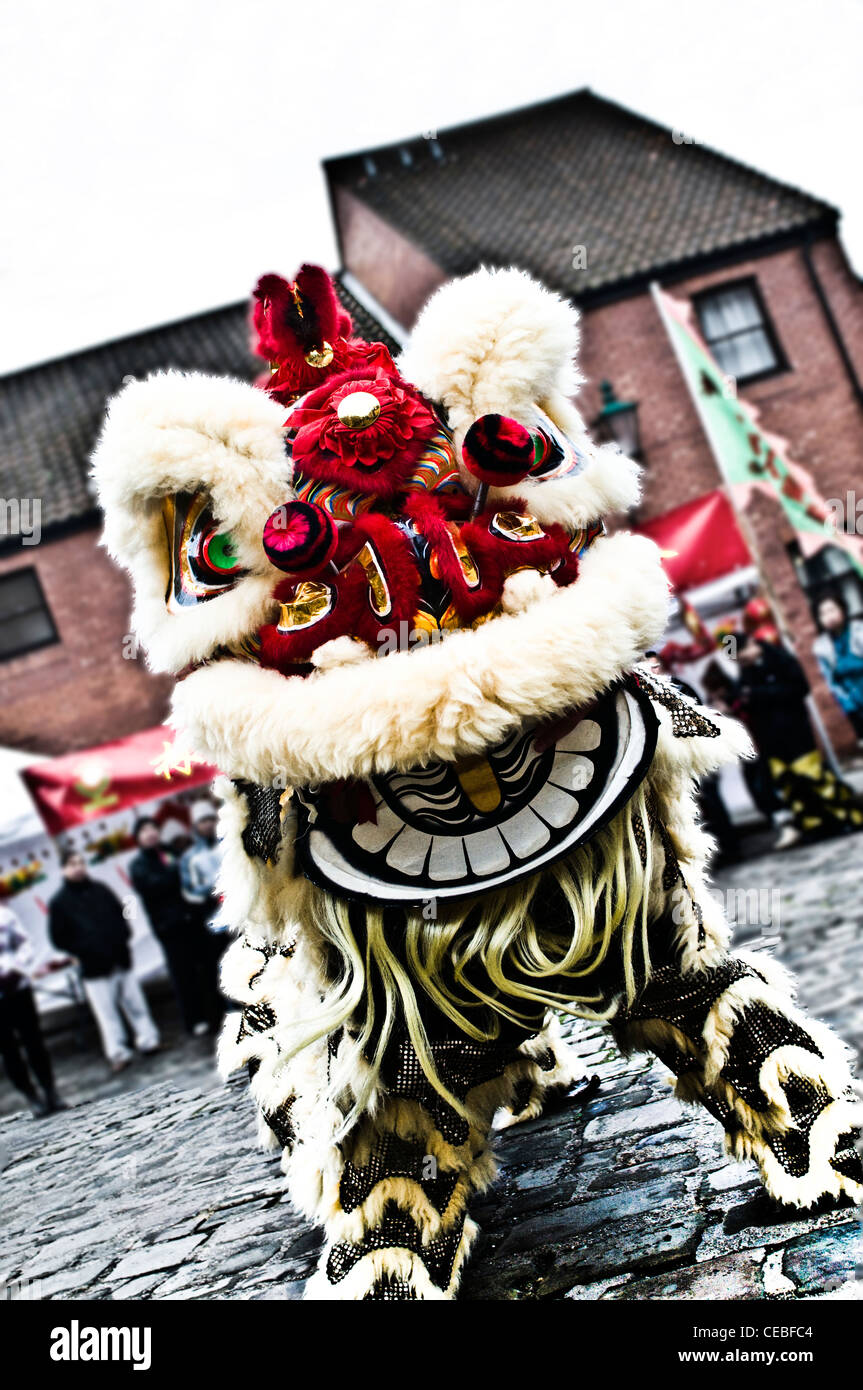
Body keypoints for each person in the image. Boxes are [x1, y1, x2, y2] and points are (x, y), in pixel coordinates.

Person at [735, 633, 863, 847]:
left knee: (815, 779)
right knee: (792, 786)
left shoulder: (780, 659)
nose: (743, 659)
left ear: (753, 644)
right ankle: (813, 826)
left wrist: (759, 693)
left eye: (743, 653)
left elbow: (800, 688)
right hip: (771, 739)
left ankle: (845, 818)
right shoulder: (745, 673)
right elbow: (742, 696)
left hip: (796, 732)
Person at [48, 849, 160, 1072]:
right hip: (94, 967)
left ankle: (149, 1041)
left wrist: (122, 937)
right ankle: (118, 1053)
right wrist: (85, 949)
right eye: (72, 864)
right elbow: (58, 938)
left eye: (80, 862)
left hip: (119, 958)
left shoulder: (101, 889)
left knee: (136, 1004)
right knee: (107, 1014)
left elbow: (122, 914)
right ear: (63, 870)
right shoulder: (59, 903)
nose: (78, 867)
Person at [129, 817, 217, 1036]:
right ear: (138, 838)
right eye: (144, 830)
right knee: (182, 975)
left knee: (207, 967)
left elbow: (190, 875)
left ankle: (215, 1013)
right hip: (169, 928)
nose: (150, 833)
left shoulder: (171, 851)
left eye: (153, 828)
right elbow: (154, 886)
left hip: (192, 920)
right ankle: (194, 1020)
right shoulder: (138, 865)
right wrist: (176, 873)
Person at [0, 904, 65, 1115]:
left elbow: (25, 943)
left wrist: (17, 969)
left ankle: (50, 1090)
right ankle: (30, 1095)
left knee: (33, 1040)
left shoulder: (5, 914)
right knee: (8, 1049)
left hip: (18, 987)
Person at [180, 801, 229, 1017]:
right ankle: (234, 1010)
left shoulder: (228, 842)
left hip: (240, 913)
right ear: (195, 825)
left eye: (210, 819)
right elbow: (188, 892)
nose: (207, 824)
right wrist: (208, 892)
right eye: (202, 821)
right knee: (225, 967)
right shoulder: (190, 857)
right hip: (214, 920)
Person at [813, 591, 863, 739]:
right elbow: (831, 681)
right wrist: (847, 704)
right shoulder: (822, 647)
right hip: (854, 705)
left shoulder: (859, 631)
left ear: (843, 609)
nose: (829, 617)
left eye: (832, 610)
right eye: (823, 613)